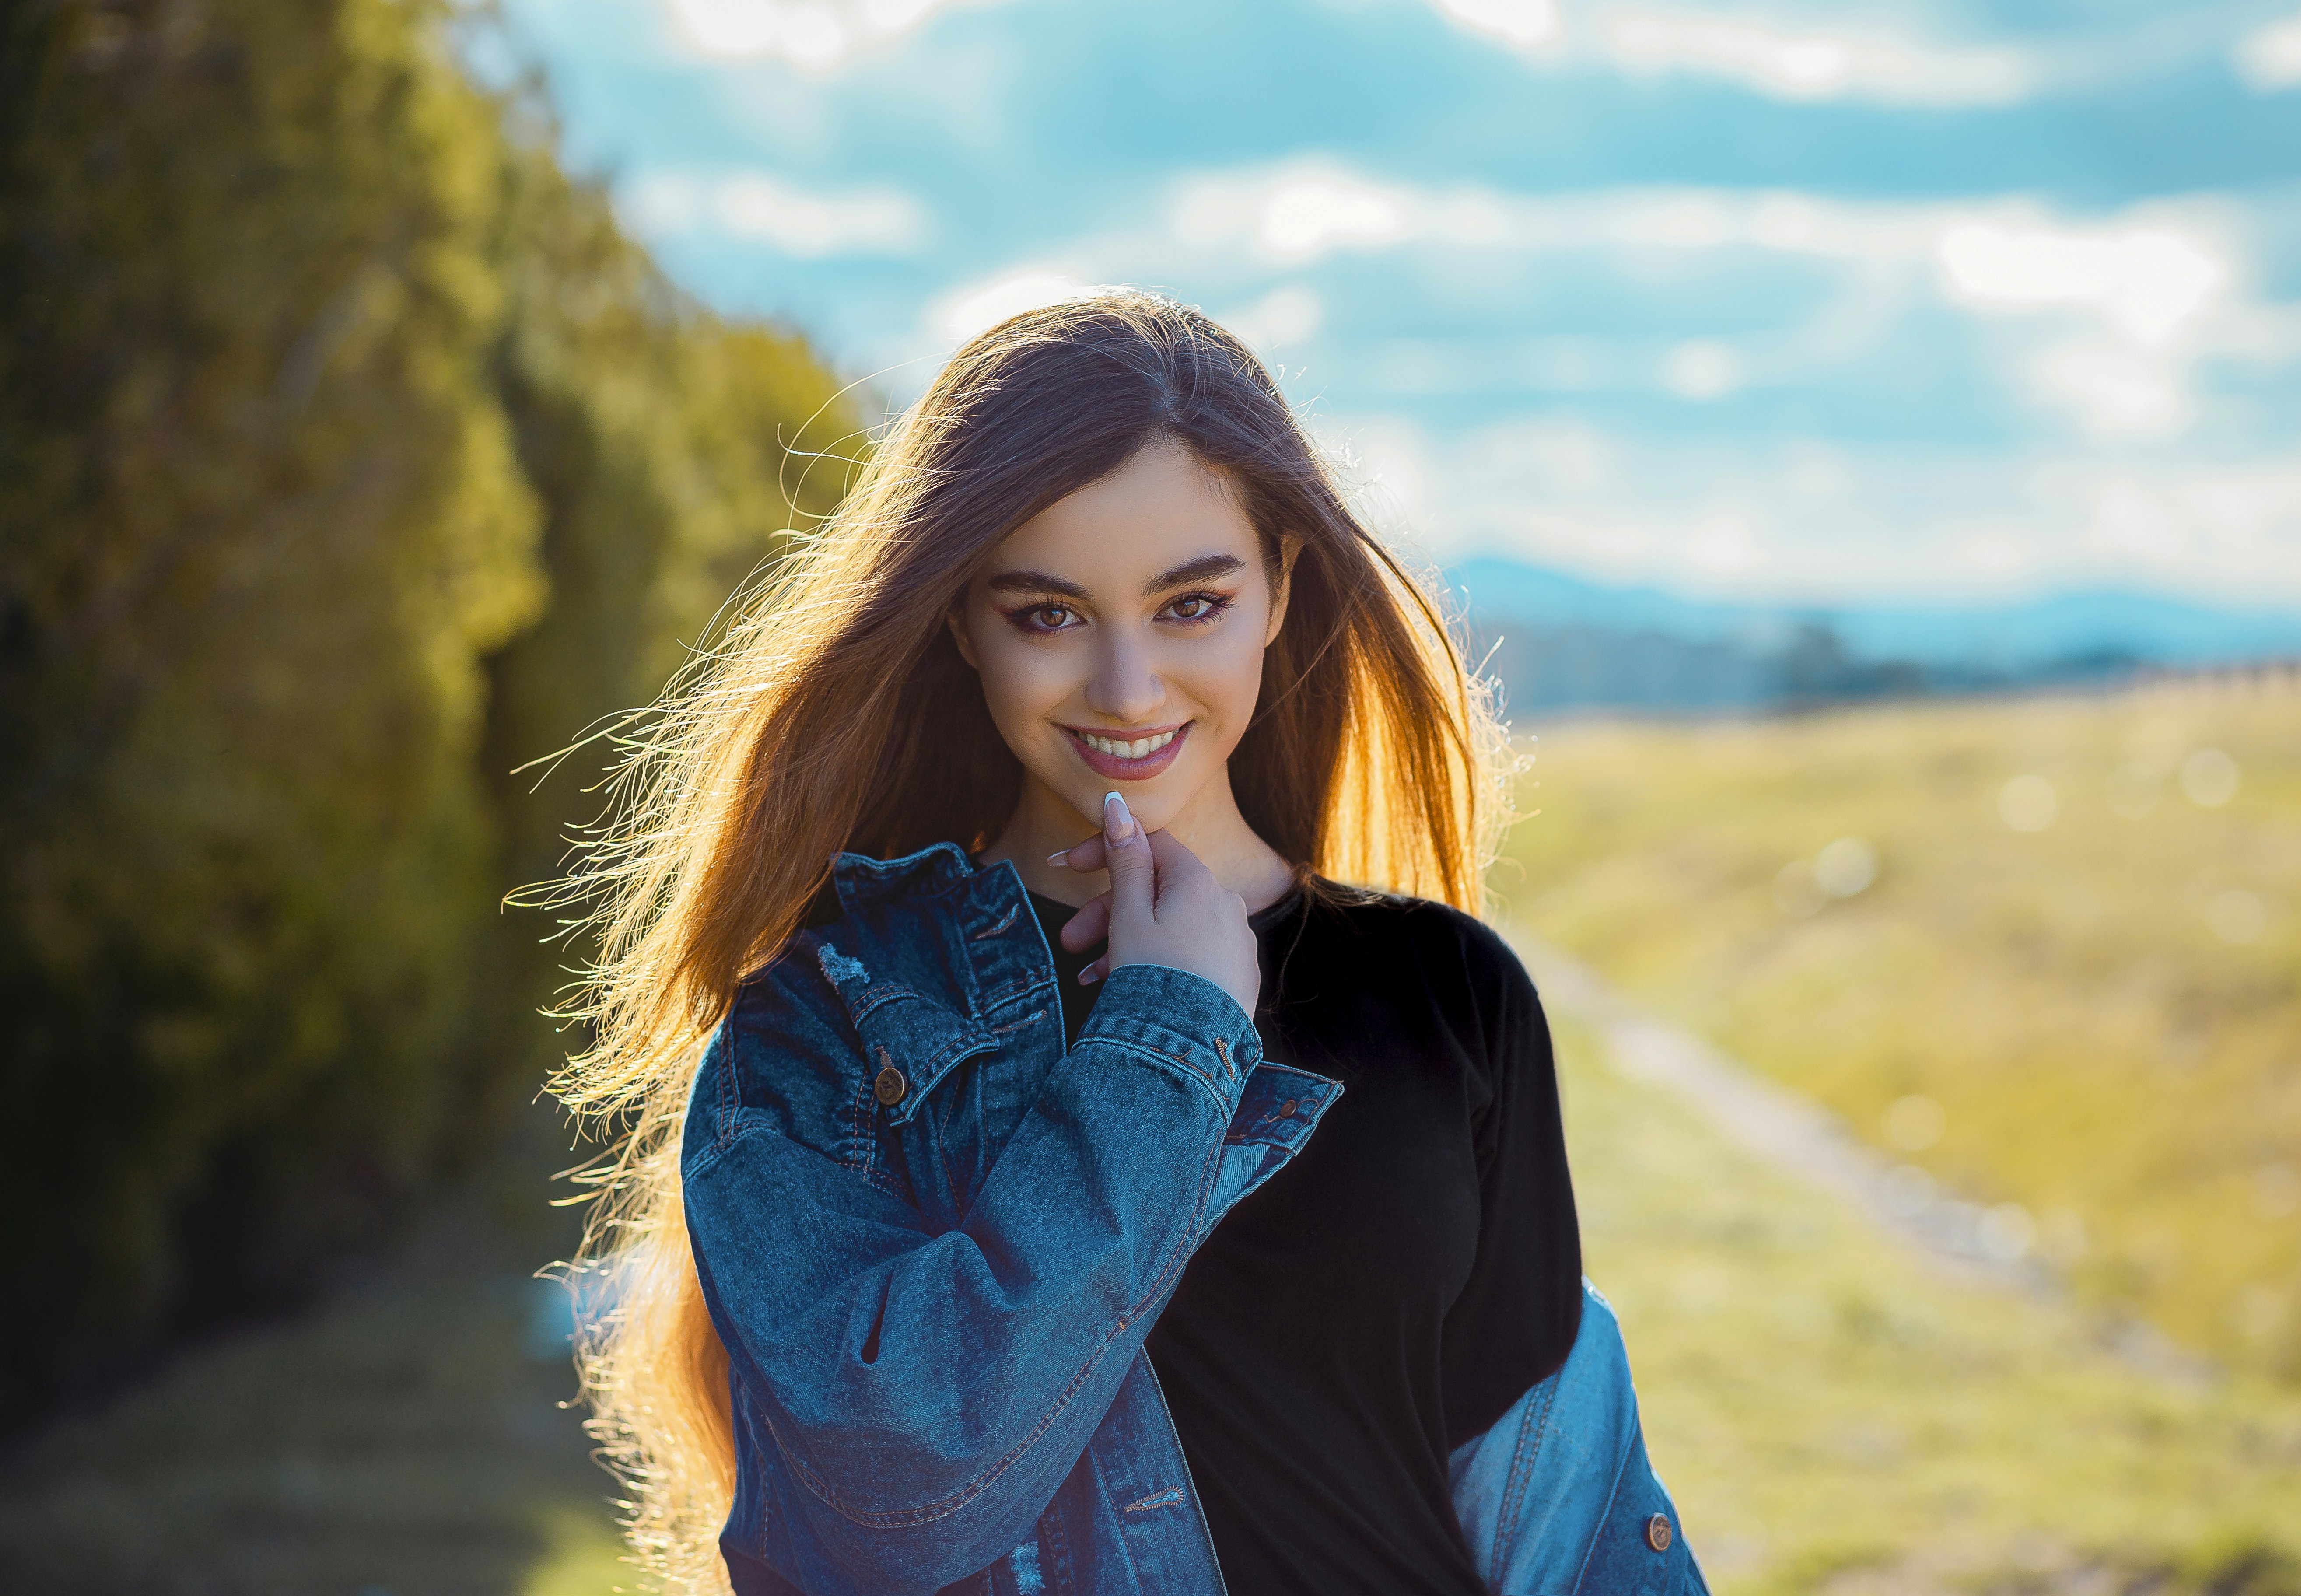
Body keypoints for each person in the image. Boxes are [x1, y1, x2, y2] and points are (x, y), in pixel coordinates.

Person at [552, 290, 1706, 1596]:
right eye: (1048, 615)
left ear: (1280, 587)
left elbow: (1559, 1519)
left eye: (1191, 604)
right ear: (961, 620)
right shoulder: (830, 1020)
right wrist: (1169, 1038)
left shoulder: (1446, 992)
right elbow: (896, 1497)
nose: (1127, 689)